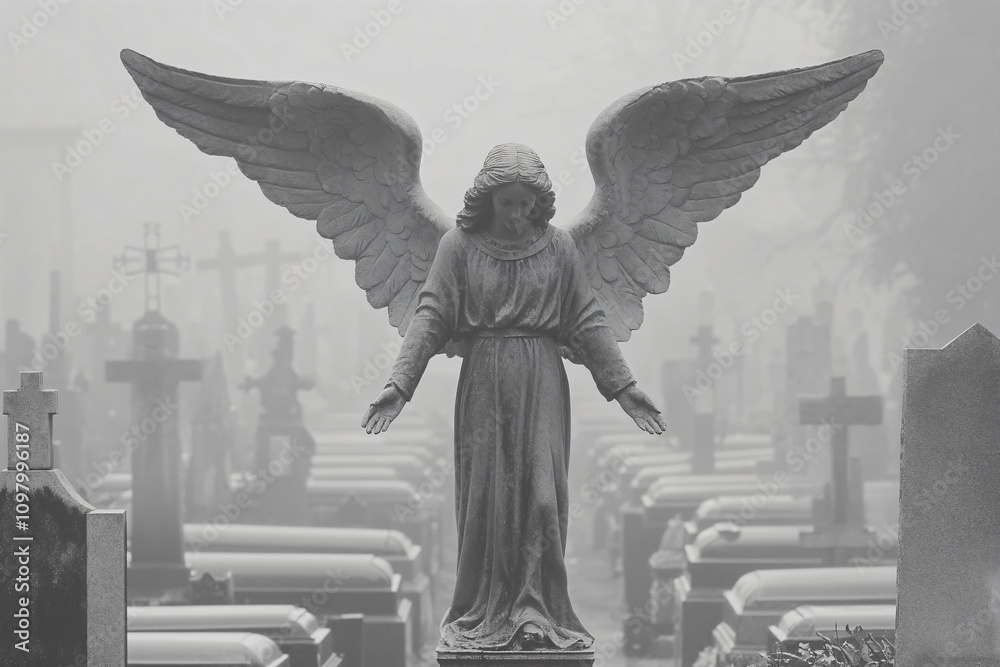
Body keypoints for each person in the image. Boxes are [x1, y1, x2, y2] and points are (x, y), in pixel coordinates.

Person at [362, 143, 665, 651]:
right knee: (488, 500)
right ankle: (488, 607)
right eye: (509, 202)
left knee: (543, 499)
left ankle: (536, 609)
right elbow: (432, 313)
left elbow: (586, 318)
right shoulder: (458, 246)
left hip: (542, 378)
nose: (519, 213)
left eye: (528, 202)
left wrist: (624, 387)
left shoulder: (559, 247)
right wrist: (400, 385)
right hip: (484, 381)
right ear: (488, 199)